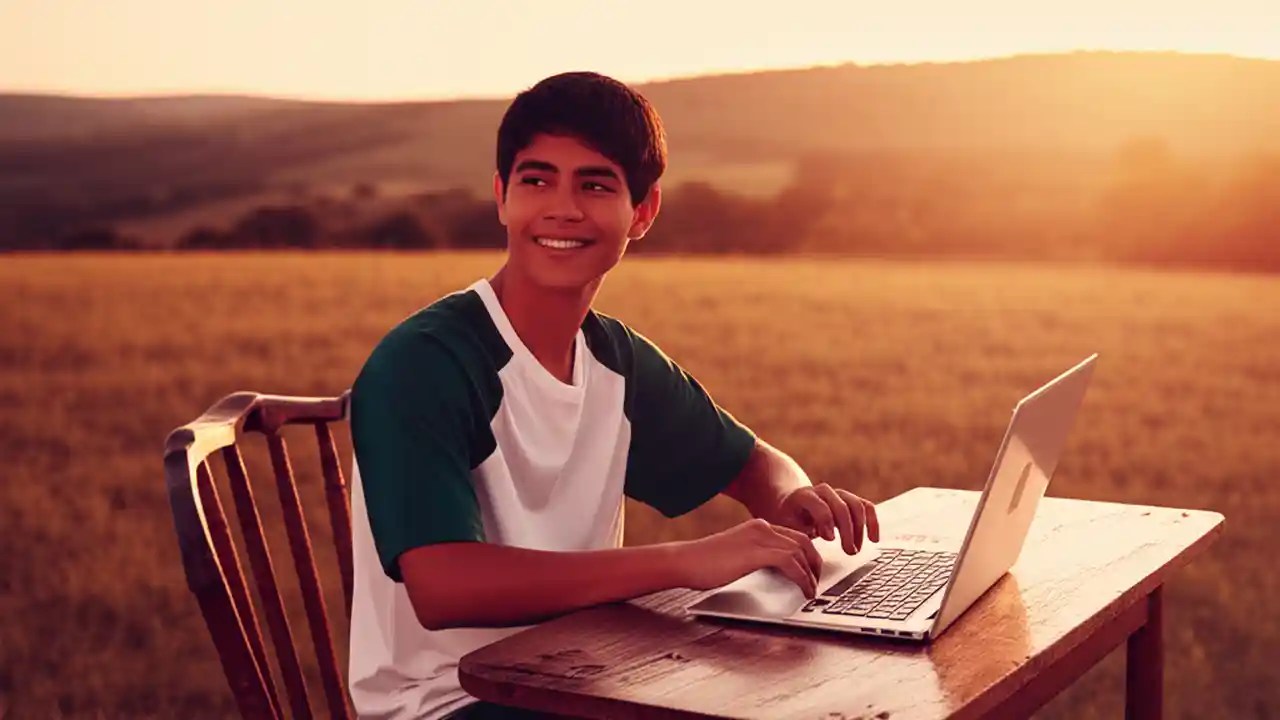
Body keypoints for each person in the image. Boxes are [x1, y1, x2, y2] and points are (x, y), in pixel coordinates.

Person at [346, 71, 881, 720]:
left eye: (594, 184)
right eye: (536, 180)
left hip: (581, 676)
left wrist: (792, 499)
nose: (562, 208)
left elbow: (756, 463)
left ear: (643, 212)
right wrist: (686, 561)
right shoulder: (424, 364)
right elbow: (443, 585)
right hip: (448, 702)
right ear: (502, 197)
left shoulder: (616, 362)